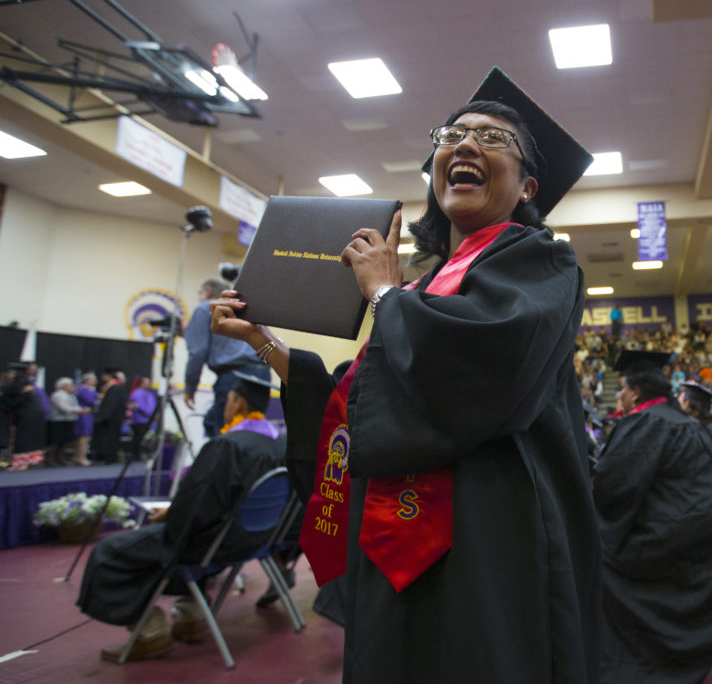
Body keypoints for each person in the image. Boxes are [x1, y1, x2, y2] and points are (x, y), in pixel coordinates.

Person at [209, 68, 601, 683]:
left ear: (528, 186)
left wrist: (384, 296)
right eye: (454, 134)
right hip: (393, 530)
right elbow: (359, 394)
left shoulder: (541, 260)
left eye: (494, 139)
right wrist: (263, 341)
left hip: (485, 533)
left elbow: (475, 371)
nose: (467, 144)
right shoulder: (419, 284)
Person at [78, 371, 286, 662]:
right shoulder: (279, 445)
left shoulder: (227, 445)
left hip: (212, 546)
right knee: (190, 533)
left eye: (227, 401)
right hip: (252, 541)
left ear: (237, 403)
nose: (224, 407)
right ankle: (192, 615)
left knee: (109, 552)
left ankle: (150, 631)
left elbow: (197, 508)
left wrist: (171, 513)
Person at [594, 350, 712, 684]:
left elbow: (612, 489)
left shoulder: (647, 423)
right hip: (711, 544)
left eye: (621, 389)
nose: (619, 396)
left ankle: (613, 658)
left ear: (635, 392)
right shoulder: (675, 420)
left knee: (593, 553)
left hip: (680, 551)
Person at [184, 278, 271, 438]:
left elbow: (197, 352)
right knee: (252, 434)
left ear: (208, 292)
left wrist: (190, 387)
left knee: (223, 435)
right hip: (263, 376)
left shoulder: (205, 309)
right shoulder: (244, 309)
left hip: (234, 378)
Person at [3, 362, 48, 470]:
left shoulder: (19, 387)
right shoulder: (21, 387)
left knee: (21, 440)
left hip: (21, 418)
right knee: (9, 444)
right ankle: (8, 464)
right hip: (15, 418)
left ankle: (17, 463)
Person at [92, 370, 128, 464]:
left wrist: (102, 416)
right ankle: (112, 455)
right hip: (117, 417)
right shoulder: (120, 388)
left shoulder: (113, 388)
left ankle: (109, 456)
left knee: (109, 437)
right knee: (114, 437)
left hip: (110, 418)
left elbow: (110, 404)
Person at [46, 377, 84, 466]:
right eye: (69, 385)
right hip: (58, 421)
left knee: (65, 441)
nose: (71, 386)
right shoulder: (58, 395)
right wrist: (79, 411)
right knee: (55, 441)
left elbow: (75, 406)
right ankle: (50, 459)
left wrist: (81, 409)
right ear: (63, 386)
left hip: (69, 420)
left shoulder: (71, 395)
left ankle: (61, 458)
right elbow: (63, 408)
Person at [127, 376, 157, 456]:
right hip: (140, 420)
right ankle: (135, 454)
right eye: (146, 383)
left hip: (147, 419)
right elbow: (141, 406)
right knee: (139, 438)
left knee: (144, 438)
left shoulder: (149, 393)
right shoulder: (137, 394)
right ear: (141, 384)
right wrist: (151, 414)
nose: (148, 385)